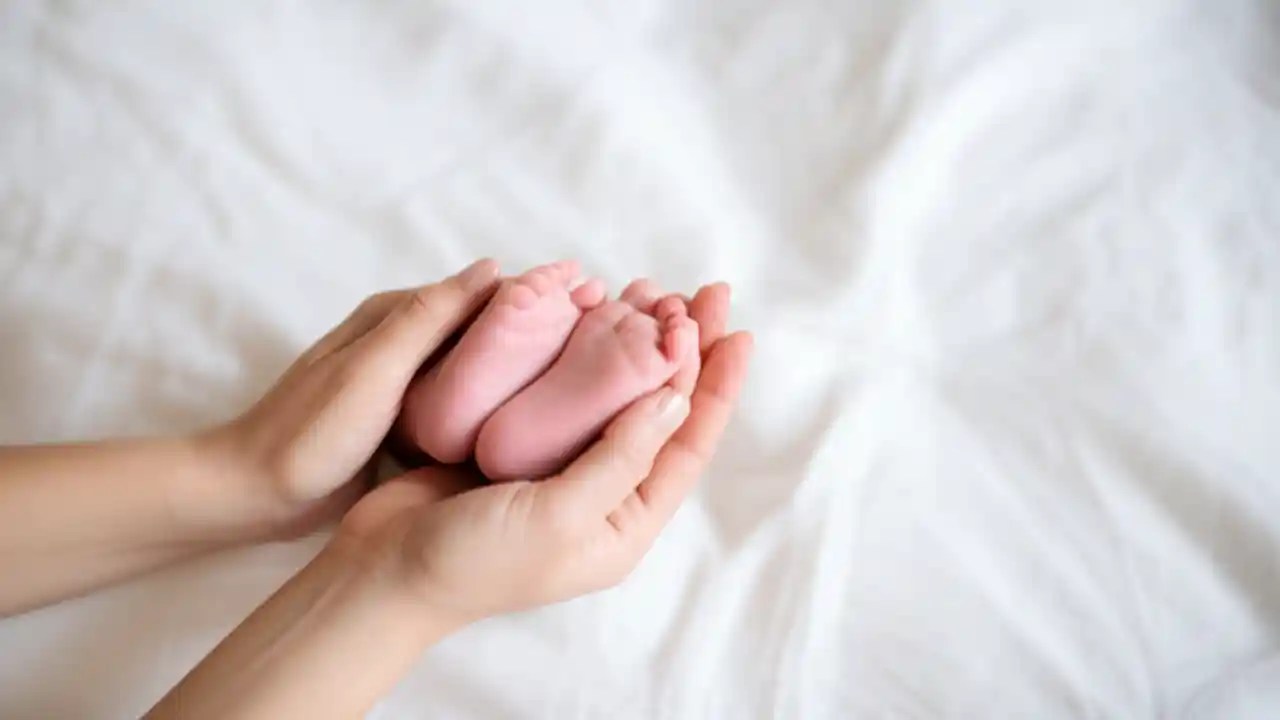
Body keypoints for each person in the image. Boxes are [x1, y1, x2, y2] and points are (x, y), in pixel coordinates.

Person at [0, 259, 754, 718]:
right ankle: (498, 424)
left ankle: (466, 416)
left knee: (439, 436)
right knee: (480, 439)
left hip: (299, 480)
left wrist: (254, 471)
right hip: (387, 520)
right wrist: (402, 585)